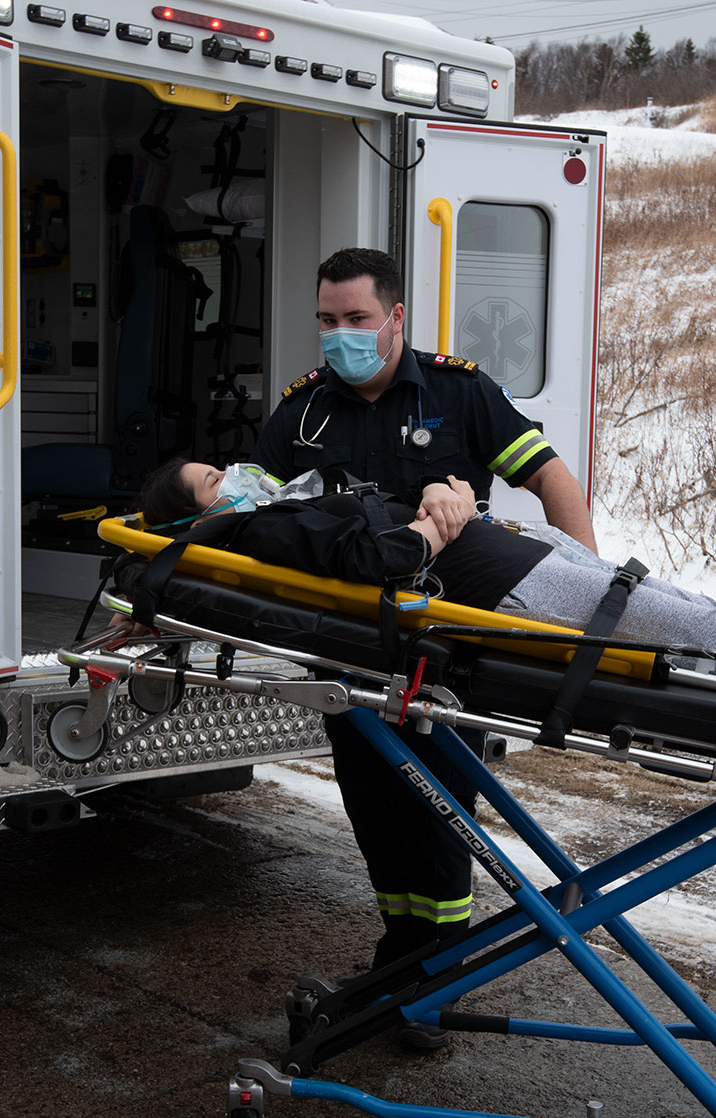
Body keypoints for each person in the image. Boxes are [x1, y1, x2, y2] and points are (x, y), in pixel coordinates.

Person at [247, 249, 599, 1020]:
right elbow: (246, 511)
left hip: (445, 654)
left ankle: (438, 971)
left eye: (357, 319)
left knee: (440, 814)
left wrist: (586, 590)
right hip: (348, 647)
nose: (340, 335)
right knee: (372, 806)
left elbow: (550, 476)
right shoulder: (302, 413)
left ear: (396, 316)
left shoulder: (458, 392)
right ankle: (402, 950)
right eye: (327, 320)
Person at [140, 462, 716, 720]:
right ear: (197, 515)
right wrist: (439, 521)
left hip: (516, 557)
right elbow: (383, 561)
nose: (232, 472)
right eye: (212, 479)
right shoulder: (253, 527)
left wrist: (444, 497)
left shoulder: (279, 507)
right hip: (507, 592)